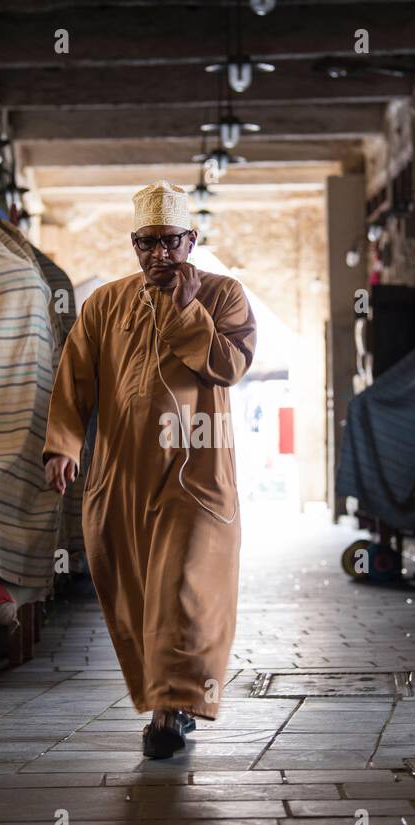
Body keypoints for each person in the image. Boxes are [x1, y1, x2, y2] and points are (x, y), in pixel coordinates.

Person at [43, 181, 256, 758]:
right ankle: (165, 699)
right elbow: (74, 380)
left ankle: (170, 711)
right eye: (146, 243)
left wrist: (187, 309)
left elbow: (228, 364)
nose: (159, 254)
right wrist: (63, 445)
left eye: (170, 242)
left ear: (192, 239)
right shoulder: (105, 304)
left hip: (196, 476)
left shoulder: (223, 294)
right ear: (134, 245)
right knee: (133, 593)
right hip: (119, 477)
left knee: (181, 589)